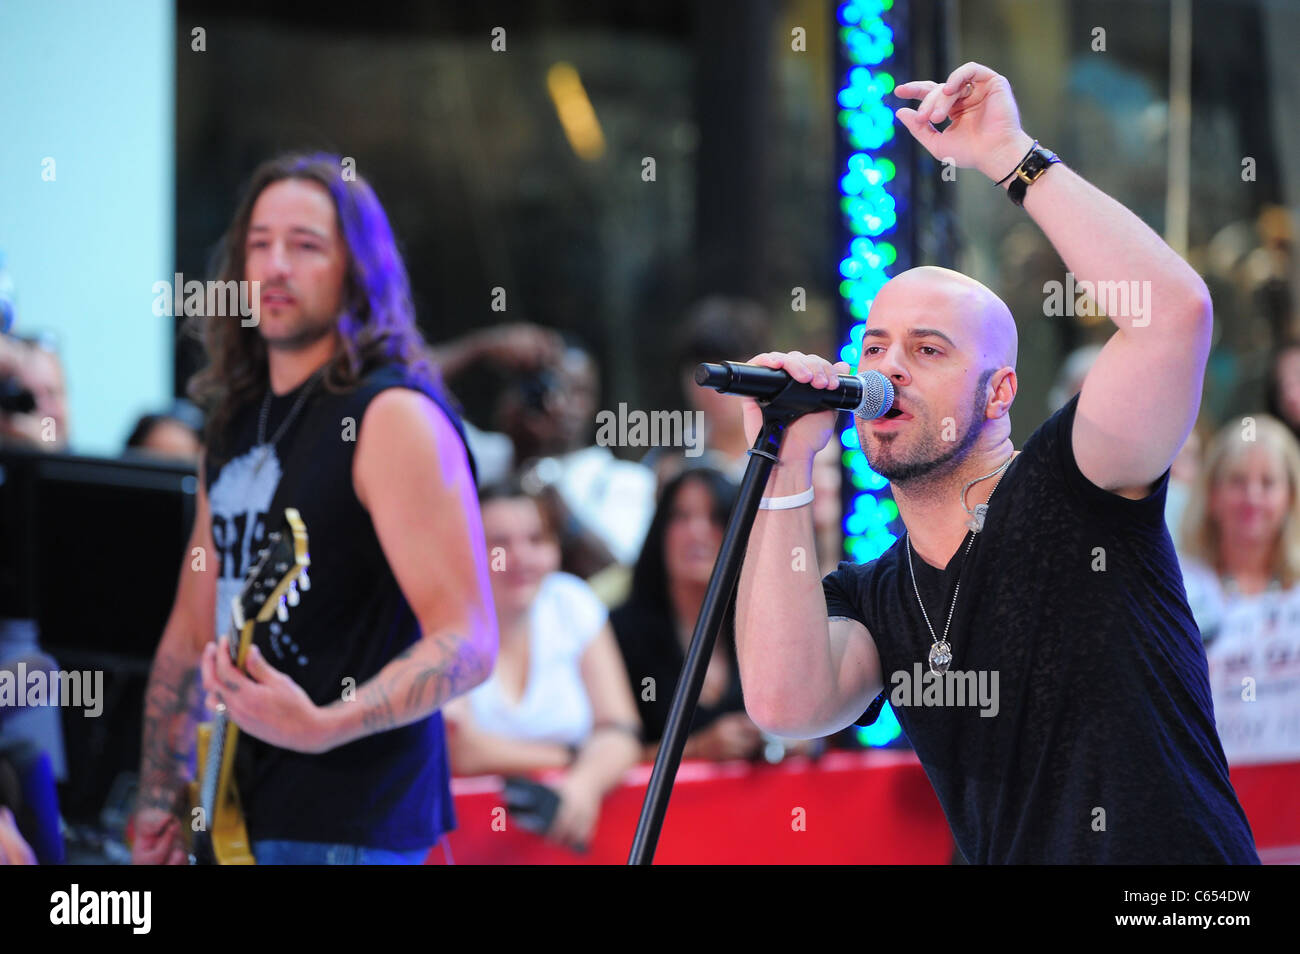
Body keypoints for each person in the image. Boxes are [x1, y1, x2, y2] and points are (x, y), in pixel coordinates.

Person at [735, 62, 1258, 863]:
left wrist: (1012, 155)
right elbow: (786, 703)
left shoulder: (1072, 487)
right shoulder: (876, 594)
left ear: (999, 390)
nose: (888, 368)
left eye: (928, 349)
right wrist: (784, 468)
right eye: (875, 346)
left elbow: (1173, 317)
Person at [131, 153, 497, 865]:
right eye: (258, 244)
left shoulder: (392, 416)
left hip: (351, 828)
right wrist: (157, 790)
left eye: (305, 245)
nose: (274, 266)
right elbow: (189, 625)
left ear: (358, 272)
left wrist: (326, 723)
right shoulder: (235, 420)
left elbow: (471, 640)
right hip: (233, 813)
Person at [443, 482, 640, 851]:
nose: (520, 557)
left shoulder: (572, 601)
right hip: (463, 845)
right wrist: (572, 757)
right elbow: (458, 749)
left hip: (565, 844)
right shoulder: (446, 616)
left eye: (536, 540)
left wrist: (583, 785)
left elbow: (621, 731)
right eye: (498, 543)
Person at [610, 468, 762, 761]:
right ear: (660, 531)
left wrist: (793, 741)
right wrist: (698, 750)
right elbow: (606, 755)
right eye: (681, 516)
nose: (697, 532)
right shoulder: (619, 633)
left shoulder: (762, 627)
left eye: (716, 517)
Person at [1178, 415, 1300, 768]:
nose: (1252, 497)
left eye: (1268, 482)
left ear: (1290, 496)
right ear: (1212, 495)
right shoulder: (1177, 588)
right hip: (1208, 793)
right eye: (1237, 481)